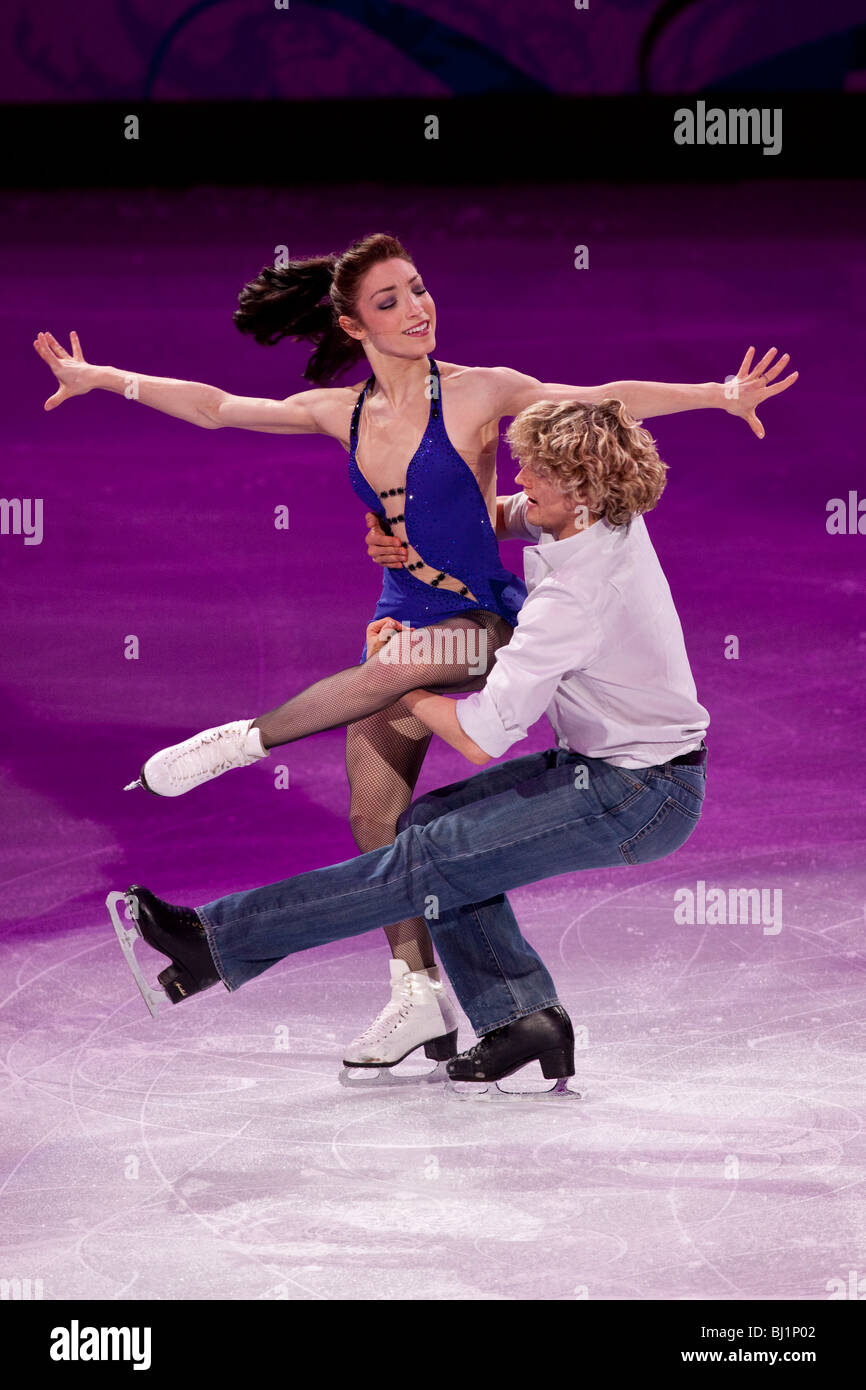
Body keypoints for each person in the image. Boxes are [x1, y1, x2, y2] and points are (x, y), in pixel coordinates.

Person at [34, 232, 796, 1070]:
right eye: (391, 300)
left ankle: (240, 755)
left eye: (420, 289)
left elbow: (601, 399)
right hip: (408, 608)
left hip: (477, 623)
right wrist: (107, 378)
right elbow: (220, 407)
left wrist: (720, 393)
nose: (417, 308)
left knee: (402, 742)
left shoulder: (484, 399)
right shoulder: (349, 414)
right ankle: (428, 999)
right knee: (385, 815)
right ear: (353, 325)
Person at [115, 394, 724, 1091]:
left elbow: (478, 736)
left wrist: (399, 679)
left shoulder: (575, 599)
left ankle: (216, 943)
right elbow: (493, 518)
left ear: (581, 488)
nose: (522, 483)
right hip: (612, 767)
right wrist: (407, 545)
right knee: (429, 825)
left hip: (640, 794)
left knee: (427, 862)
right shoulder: (604, 517)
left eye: (536, 474)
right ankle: (519, 1017)